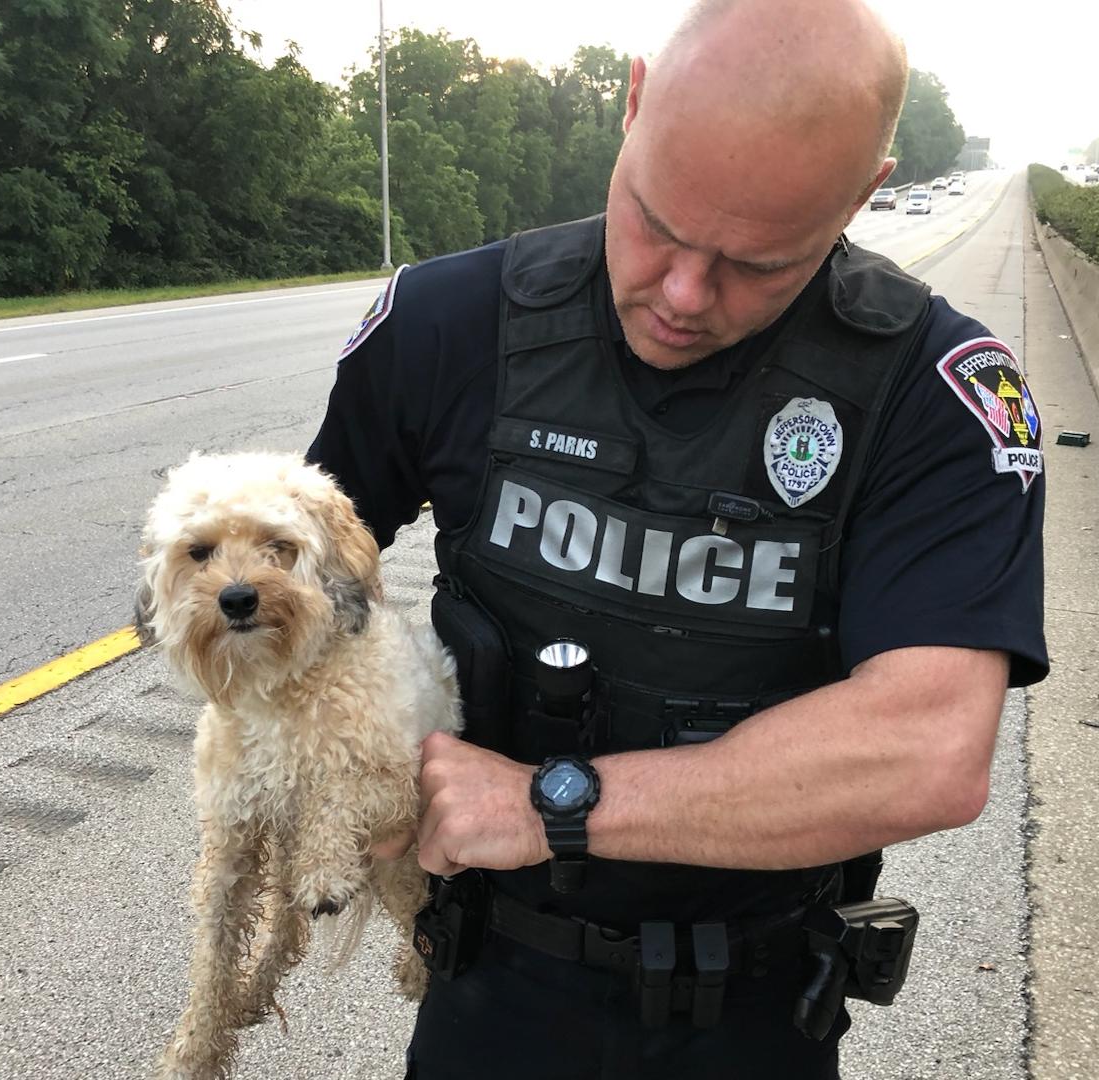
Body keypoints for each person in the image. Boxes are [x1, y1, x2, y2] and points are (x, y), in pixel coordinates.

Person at [306, 0, 1048, 1075]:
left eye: (762, 263)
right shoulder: (445, 324)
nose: (686, 295)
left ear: (863, 193)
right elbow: (295, 594)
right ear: (634, 100)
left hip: (753, 1008)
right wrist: (343, 766)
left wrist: (550, 807)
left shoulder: (936, 396)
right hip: (489, 984)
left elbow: (927, 750)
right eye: (656, 223)